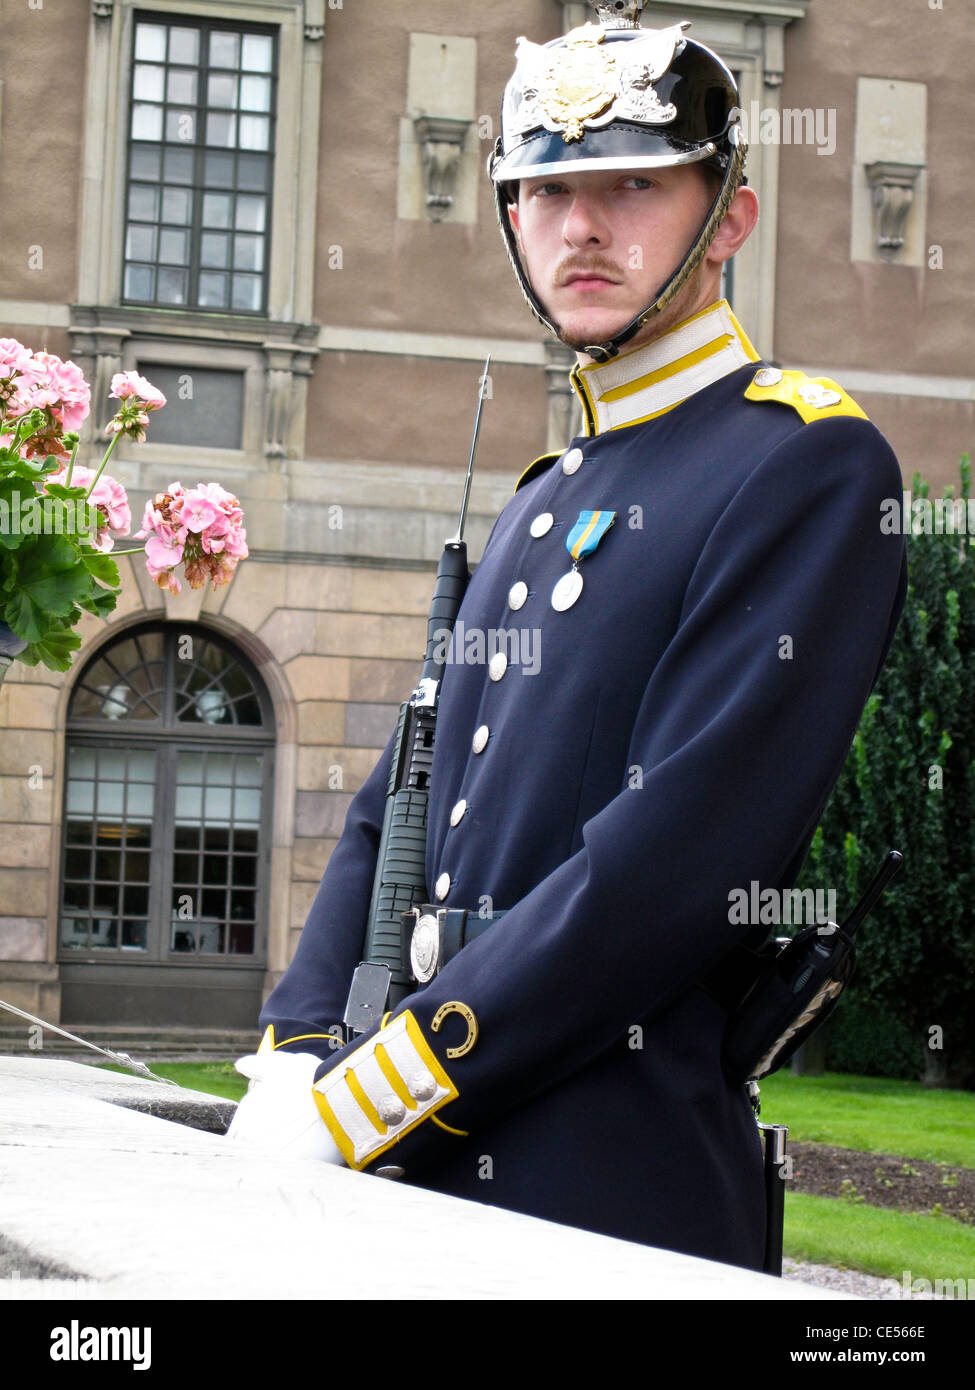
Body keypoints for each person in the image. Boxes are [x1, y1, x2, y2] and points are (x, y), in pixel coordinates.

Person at [228, 1, 907, 1271]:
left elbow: (666, 868)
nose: (582, 228)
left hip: (603, 1193)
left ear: (730, 220)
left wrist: (371, 1099)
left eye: (634, 185)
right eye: (546, 193)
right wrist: (297, 1049)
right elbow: (396, 804)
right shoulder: (548, 492)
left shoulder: (805, 466)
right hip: (406, 1183)